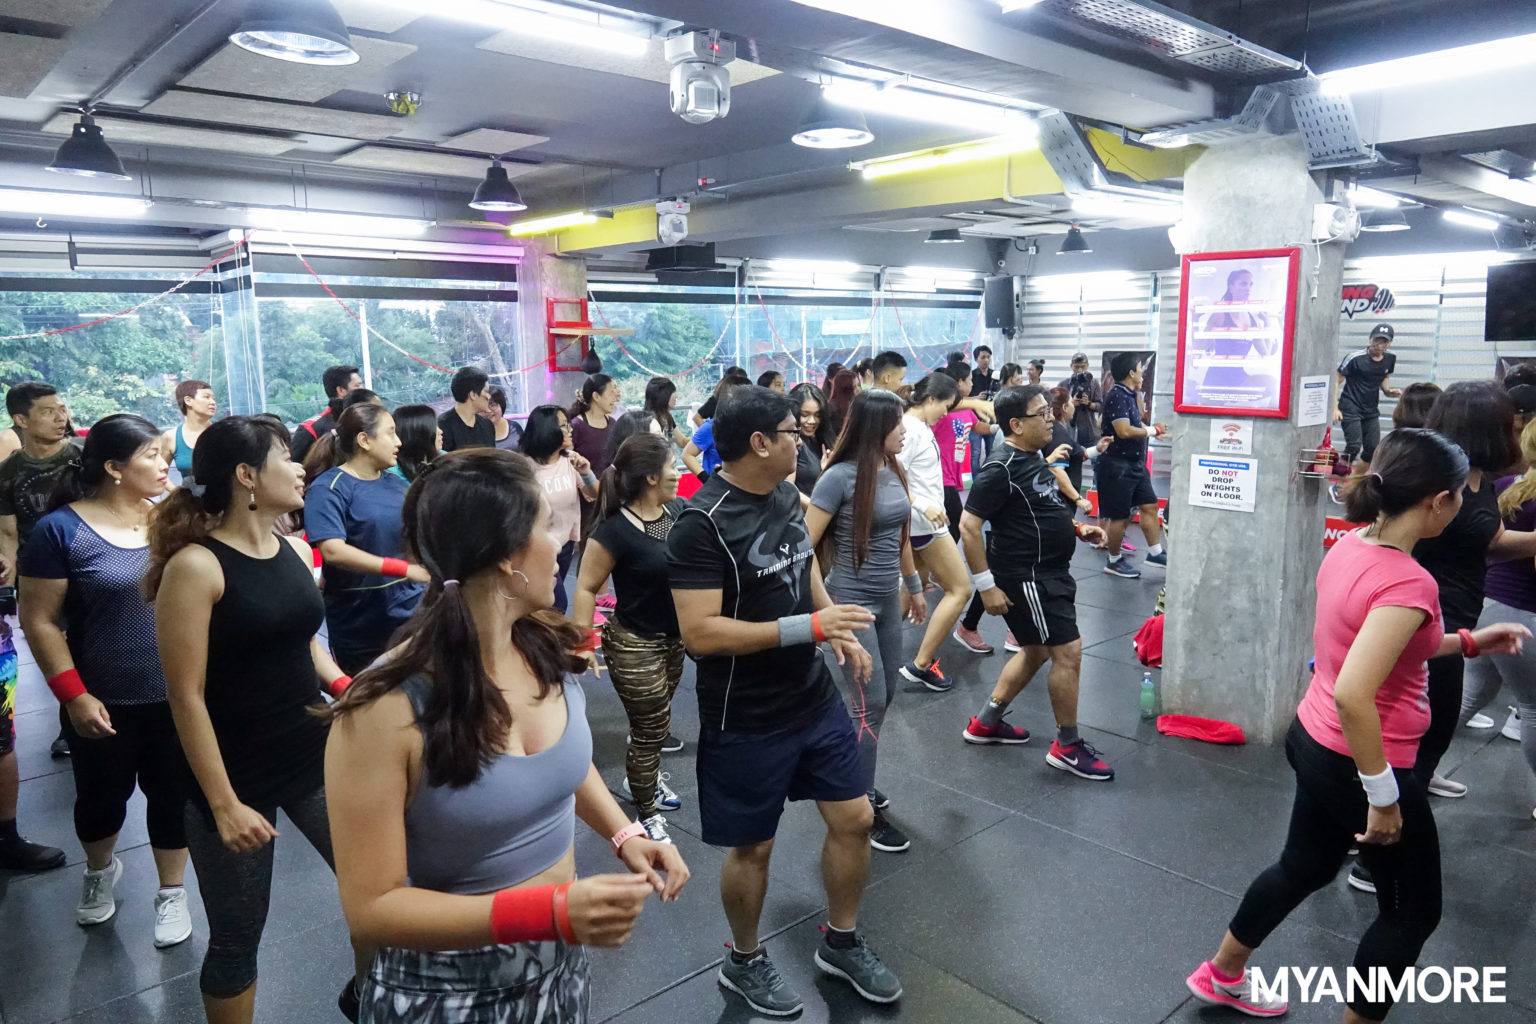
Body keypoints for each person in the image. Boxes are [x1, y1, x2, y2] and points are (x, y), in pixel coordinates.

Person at [321, 448, 688, 1024]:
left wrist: (624, 834)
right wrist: (552, 912)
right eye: (546, 525)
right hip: (444, 988)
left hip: (557, 962)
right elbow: (372, 909)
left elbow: (563, 764)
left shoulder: (543, 647)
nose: (562, 540)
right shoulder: (384, 708)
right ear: (507, 558)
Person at [1183, 428, 1530, 1022]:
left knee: (1307, 864)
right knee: (1411, 915)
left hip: (1313, 741)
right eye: (1459, 496)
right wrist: (1383, 796)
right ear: (1437, 502)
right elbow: (1354, 691)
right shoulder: (1407, 580)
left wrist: (1470, 641)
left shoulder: (1353, 544)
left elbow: (1381, 647)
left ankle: (1221, 973)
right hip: (1362, 761)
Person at [667, 385, 900, 1015]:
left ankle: (841, 943)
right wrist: (810, 629)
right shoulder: (702, 522)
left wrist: (833, 626)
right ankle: (743, 960)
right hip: (744, 713)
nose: (805, 439)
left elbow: (804, 568)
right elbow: (700, 633)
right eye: (793, 431)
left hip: (811, 696)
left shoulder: (785, 496)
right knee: (755, 847)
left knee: (854, 819)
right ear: (759, 443)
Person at [146, 416, 362, 1024]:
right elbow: (185, 696)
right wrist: (222, 804)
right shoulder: (197, 566)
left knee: (379, 891)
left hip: (310, 754)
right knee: (237, 938)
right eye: (286, 458)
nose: (300, 468)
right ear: (247, 476)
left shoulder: (291, 547)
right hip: (233, 775)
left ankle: (367, 997)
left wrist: (347, 688)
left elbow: (304, 643)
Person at [17, 414, 192, 944]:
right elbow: (39, 619)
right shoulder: (61, 530)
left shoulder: (174, 519)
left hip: (177, 694)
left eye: (165, 454)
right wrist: (73, 695)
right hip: (103, 698)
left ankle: (172, 892)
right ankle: (99, 872)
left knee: (173, 796)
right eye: (152, 456)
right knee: (100, 800)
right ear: (115, 467)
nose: (165, 464)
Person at [1388, 382, 1536, 828]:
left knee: (1437, 723)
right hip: (1427, 617)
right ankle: (1375, 845)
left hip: (1462, 613)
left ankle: (1403, 797)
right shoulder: (1437, 482)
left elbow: (1485, 540)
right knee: (1416, 734)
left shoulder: (1481, 479)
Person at [956, 385, 1115, 782]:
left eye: (1050, 412)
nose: (1051, 420)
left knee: (1036, 651)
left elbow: (1037, 509)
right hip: (1029, 576)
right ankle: (1067, 746)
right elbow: (969, 526)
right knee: (1068, 653)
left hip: (1049, 570)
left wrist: (1077, 528)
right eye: (1042, 414)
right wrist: (986, 585)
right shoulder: (1000, 468)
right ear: (1015, 424)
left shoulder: (1031, 458)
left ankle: (986, 722)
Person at [806, 389, 925, 854]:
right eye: (898, 424)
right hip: (848, 602)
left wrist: (913, 586)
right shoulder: (837, 478)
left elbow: (901, 531)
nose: (904, 431)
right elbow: (805, 550)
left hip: (886, 600)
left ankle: (856, 783)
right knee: (868, 704)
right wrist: (825, 613)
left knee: (885, 695)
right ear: (876, 427)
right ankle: (858, 806)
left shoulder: (891, 468)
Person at [573, 434, 688, 841]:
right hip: (634, 644)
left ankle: (642, 779)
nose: (679, 473)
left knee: (656, 723)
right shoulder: (614, 530)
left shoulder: (676, 510)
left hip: (675, 641)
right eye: (673, 466)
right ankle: (645, 810)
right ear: (652, 477)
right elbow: (586, 587)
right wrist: (584, 643)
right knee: (650, 728)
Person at [304, 406, 429, 675]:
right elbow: (333, 551)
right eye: (391, 433)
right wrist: (404, 569)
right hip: (360, 622)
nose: (399, 442)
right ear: (364, 440)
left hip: (410, 613)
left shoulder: (397, 486)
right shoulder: (329, 487)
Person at [1459, 417, 1536, 820]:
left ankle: (1414, 766)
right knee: (1534, 706)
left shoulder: (1505, 488)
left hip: (1490, 605)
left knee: (1473, 692)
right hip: (1523, 613)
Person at [898, 372, 977, 680]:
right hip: (924, 524)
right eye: (945, 405)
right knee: (960, 590)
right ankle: (920, 665)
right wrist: (924, 505)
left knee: (913, 582)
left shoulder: (918, 427)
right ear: (930, 399)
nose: (946, 413)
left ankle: (880, 646)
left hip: (922, 522)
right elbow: (890, 477)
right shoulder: (911, 429)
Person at [0, 382, 82, 587]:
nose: (60, 418)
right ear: (21, 420)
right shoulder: (6, 472)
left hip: (87, 568)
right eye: (48, 412)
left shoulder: (87, 460)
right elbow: (9, 536)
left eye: (62, 409)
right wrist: (8, 593)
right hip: (37, 576)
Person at [520, 405, 598, 615]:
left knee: (548, 606)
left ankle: (544, 642)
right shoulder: (525, 467)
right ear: (547, 431)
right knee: (557, 604)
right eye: (564, 426)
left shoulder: (570, 459)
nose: (570, 430)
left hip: (566, 544)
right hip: (540, 548)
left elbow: (595, 493)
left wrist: (587, 472)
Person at [1098, 353, 1167, 579]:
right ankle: (1114, 561)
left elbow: (1135, 424)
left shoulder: (1130, 395)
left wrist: (1153, 431)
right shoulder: (1117, 395)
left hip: (1134, 464)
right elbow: (1124, 431)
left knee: (1149, 505)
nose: (1142, 373)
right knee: (1120, 517)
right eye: (1139, 369)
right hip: (1117, 466)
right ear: (1131, 373)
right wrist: (1152, 431)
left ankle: (1155, 553)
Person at [932, 360, 991, 540]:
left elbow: (978, 426)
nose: (972, 384)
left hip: (954, 471)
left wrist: (1000, 427)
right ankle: (943, 560)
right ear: (959, 382)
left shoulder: (966, 408)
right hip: (940, 472)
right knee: (956, 519)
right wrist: (975, 403)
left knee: (947, 520)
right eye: (970, 380)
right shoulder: (944, 408)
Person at [1333, 323, 1401, 471]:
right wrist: (1334, 408)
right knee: (1354, 446)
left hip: (1370, 409)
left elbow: (1384, 375)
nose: (1379, 345)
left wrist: (1388, 391)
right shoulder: (1355, 358)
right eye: (1376, 340)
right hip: (1350, 405)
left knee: (1372, 448)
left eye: (1384, 342)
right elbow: (1336, 381)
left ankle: (1355, 483)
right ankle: (1338, 482)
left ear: (1389, 343)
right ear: (1370, 339)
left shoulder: (1390, 359)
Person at [290, 364, 363, 464]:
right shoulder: (311, 429)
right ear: (341, 390)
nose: (363, 390)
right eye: (357, 386)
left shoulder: (365, 420)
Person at [683, 376, 750, 480]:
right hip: (717, 488)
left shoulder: (750, 426)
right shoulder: (712, 427)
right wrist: (706, 479)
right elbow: (687, 455)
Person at [162, 380, 216, 480]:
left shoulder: (224, 433)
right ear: (188, 400)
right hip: (189, 494)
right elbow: (159, 473)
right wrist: (176, 492)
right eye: (206, 397)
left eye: (213, 398)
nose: (213, 402)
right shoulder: (171, 437)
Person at [438, 366, 495, 453]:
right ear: (473, 395)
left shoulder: (487, 425)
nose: (489, 396)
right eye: (486, 391)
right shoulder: (442, 426)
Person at [789, 383, 830, 497]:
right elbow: (788, 489)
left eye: (817, 415)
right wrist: (818, 512)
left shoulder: (819, 440)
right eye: (805, 415)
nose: (812, 420)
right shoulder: (792, 443)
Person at [1059, 352, 1103, 449]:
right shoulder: (1063, 384)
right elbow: (1056, 408)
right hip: (1068, 429)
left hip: (1089, 429)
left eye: (1083, 366)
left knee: (1095, 456)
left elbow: (1100, 405)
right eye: (1076, 367)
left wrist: (1089, 404)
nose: (1080, 370)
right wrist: (1070, 403)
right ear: (1071, 366)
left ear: (1087, 366)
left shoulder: (1094, 383)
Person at [389, 404, 441, 484]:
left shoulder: (446, 457)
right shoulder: (393, 475)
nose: (440, 431)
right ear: (419, 434)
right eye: (433, 427)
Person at [641, 376, 690, 452]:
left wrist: (705, 434)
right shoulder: (648, 422)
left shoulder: (667, 417)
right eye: (673, 392)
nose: (676, 396)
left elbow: (682, 442)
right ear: (663, 395)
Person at [824, 368, 859, 443]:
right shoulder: (831, 408)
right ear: (846, 390)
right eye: (854, 387)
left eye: (858, 385)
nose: (858, 389)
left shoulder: (857, 405)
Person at [487, 386, 524, 451]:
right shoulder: (474, 432)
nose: (488, 411)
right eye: (484, 407)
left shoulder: (515, 427)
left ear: (501, 405)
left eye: (492, 405)